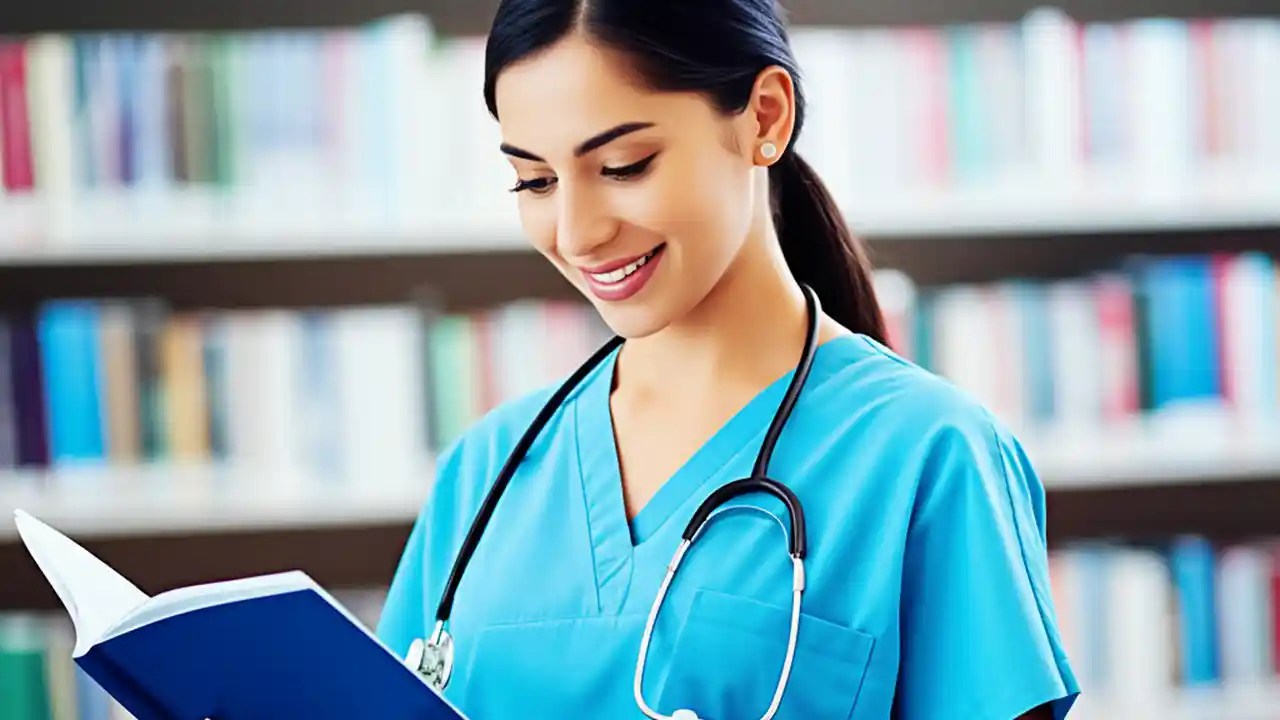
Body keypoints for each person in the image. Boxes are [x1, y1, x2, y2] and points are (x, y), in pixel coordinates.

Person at [377, 0, 1080, 717]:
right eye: (535, 182)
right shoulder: (486, 472)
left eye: (624, 166)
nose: (577, 233)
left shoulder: (928, 454)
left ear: (765, 118)